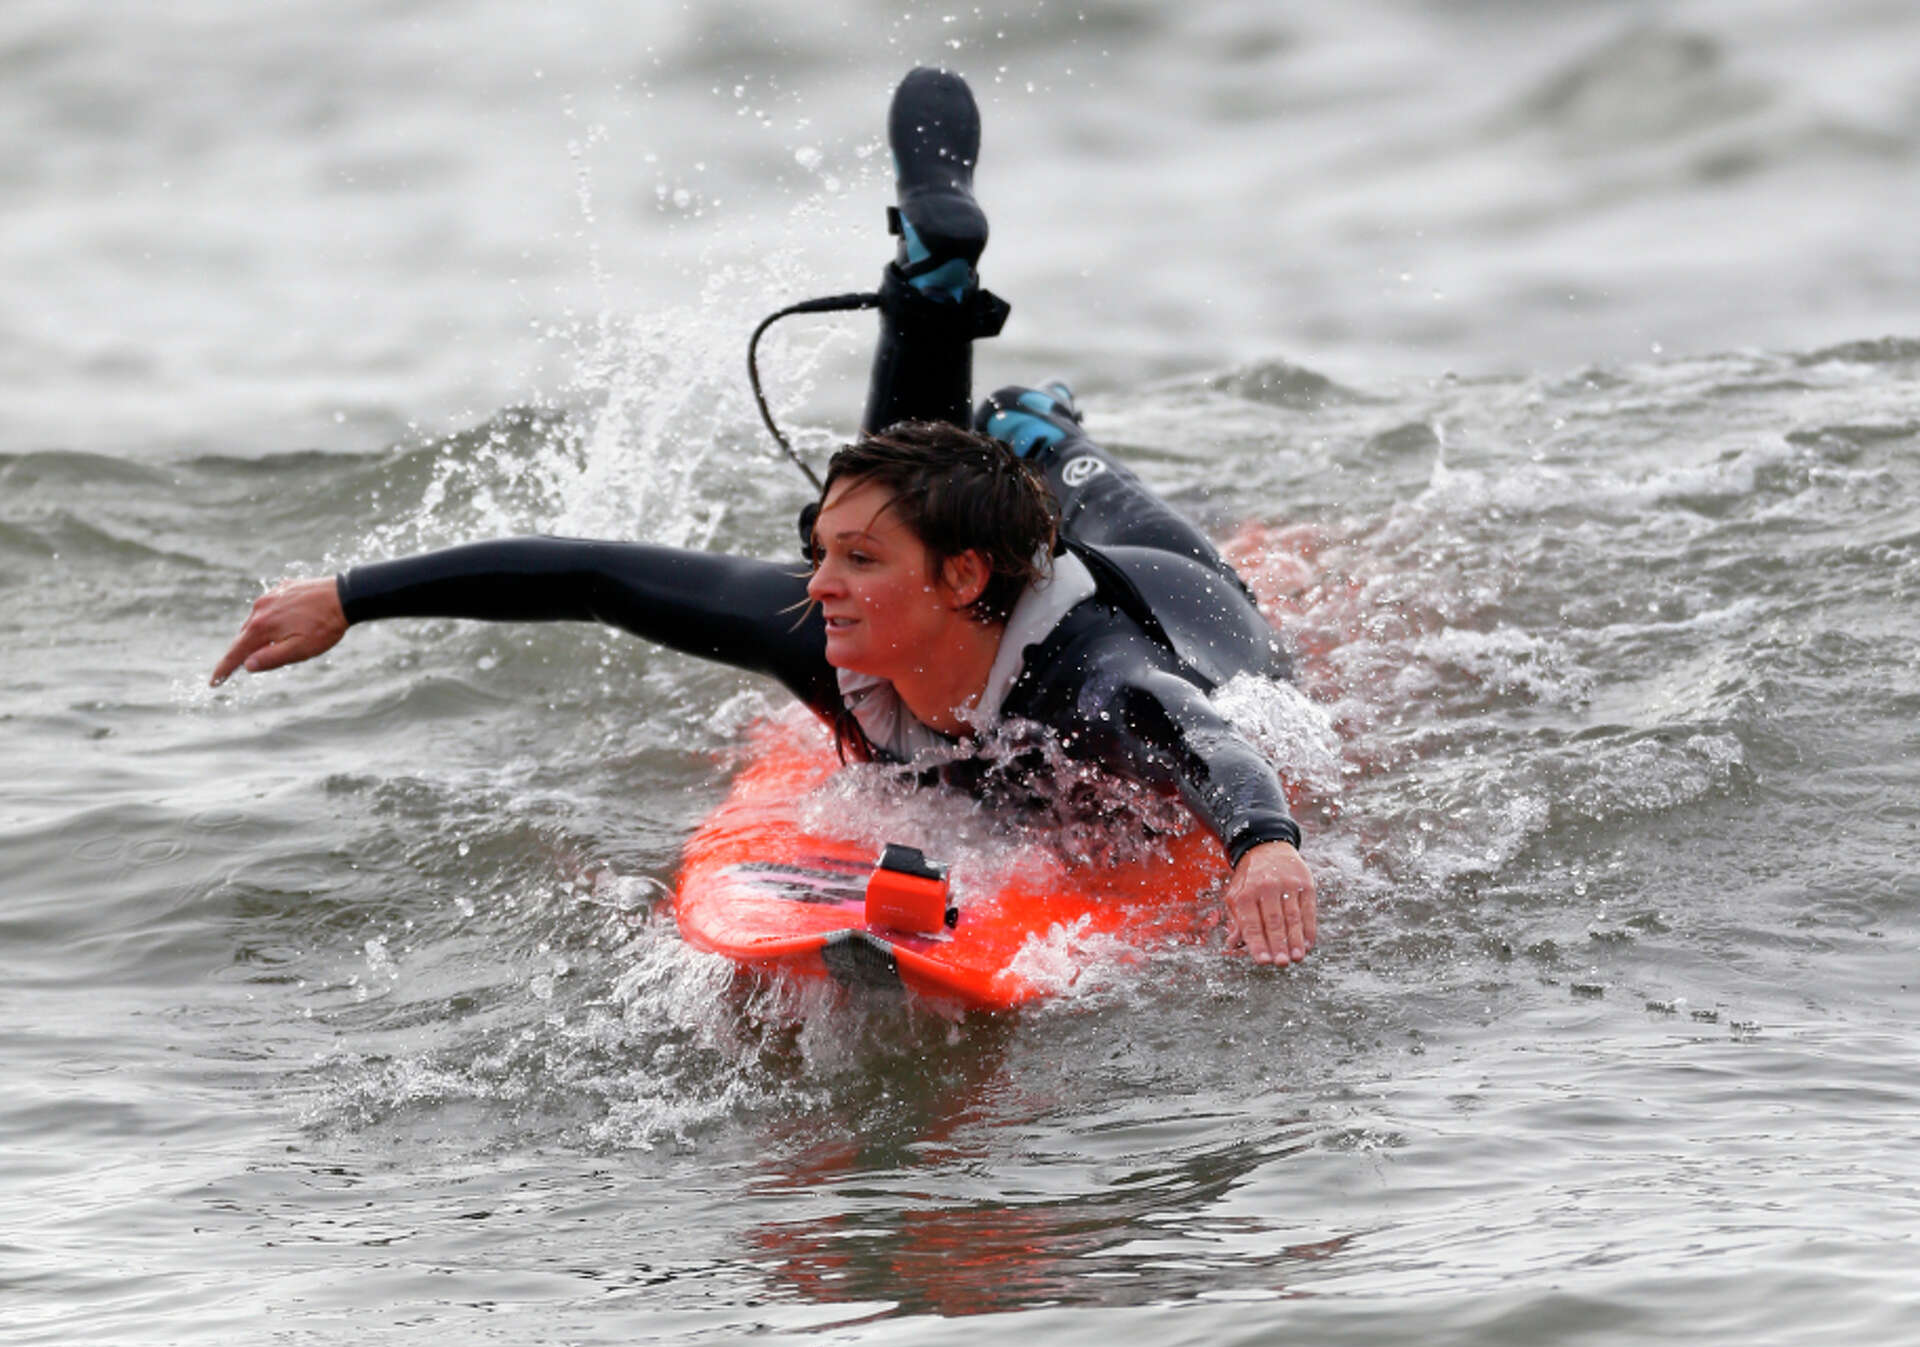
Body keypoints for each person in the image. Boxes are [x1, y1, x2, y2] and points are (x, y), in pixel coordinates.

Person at [211, 68, 1318, 967]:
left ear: (973, 581)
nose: (814, 582)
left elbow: (1211, 740)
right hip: (974, 568)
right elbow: (590, 576)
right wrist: (350, 598)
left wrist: (1264, 848)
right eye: (824, 554)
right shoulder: (818, 626)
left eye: (850, 563)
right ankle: (932, 283)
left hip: (1174, 590)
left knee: (1053, 473)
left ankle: (1035, 425)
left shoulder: (1098, 681)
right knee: (904, 502)